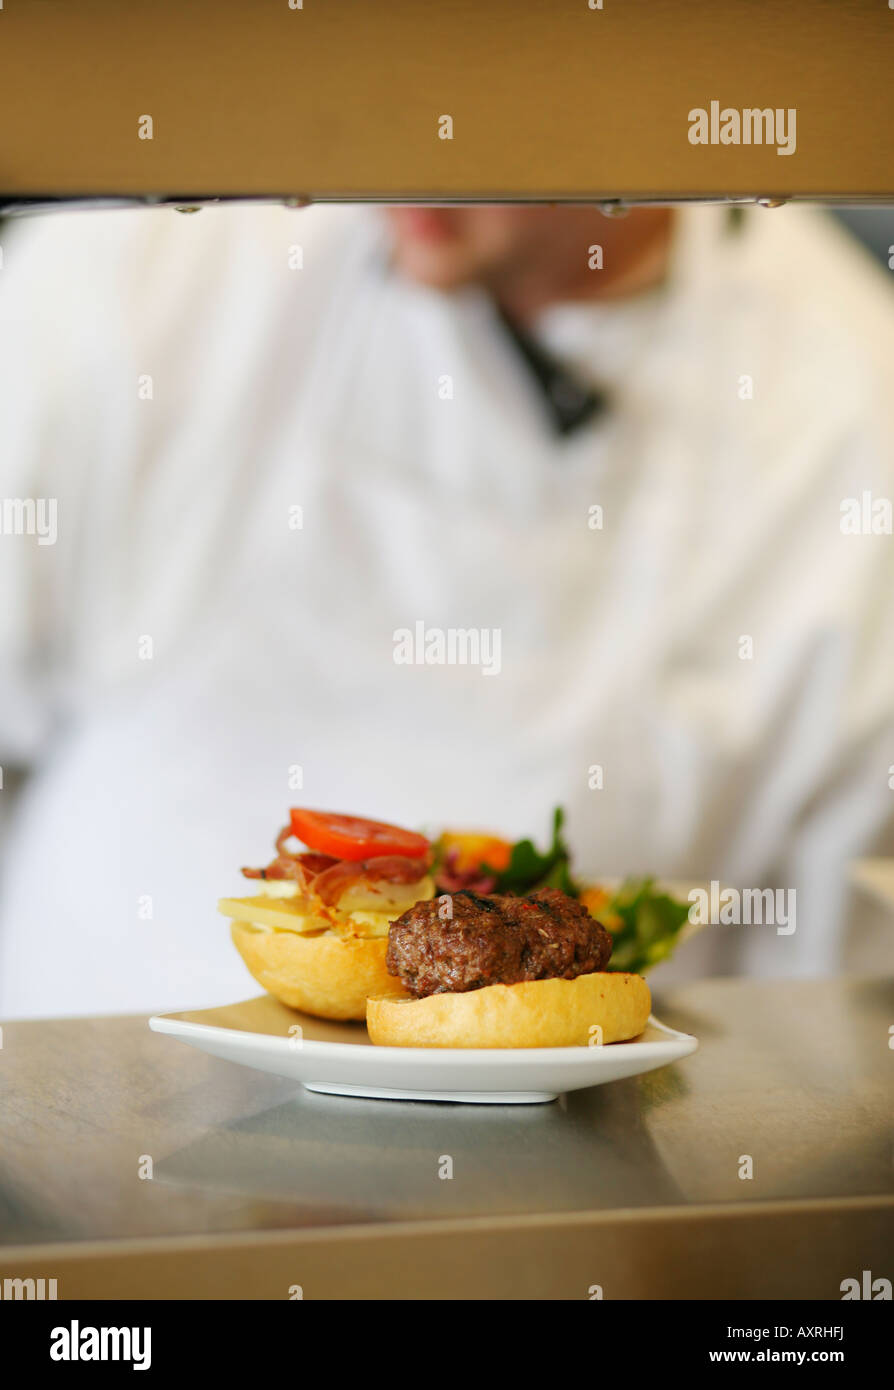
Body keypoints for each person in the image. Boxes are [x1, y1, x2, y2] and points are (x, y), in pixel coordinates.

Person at [0, 200, 892, 1019]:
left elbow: (821, 1001)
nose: (398, 152)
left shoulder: (855, 415)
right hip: (70, 1090)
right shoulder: (143, 262)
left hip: (581, 1163)